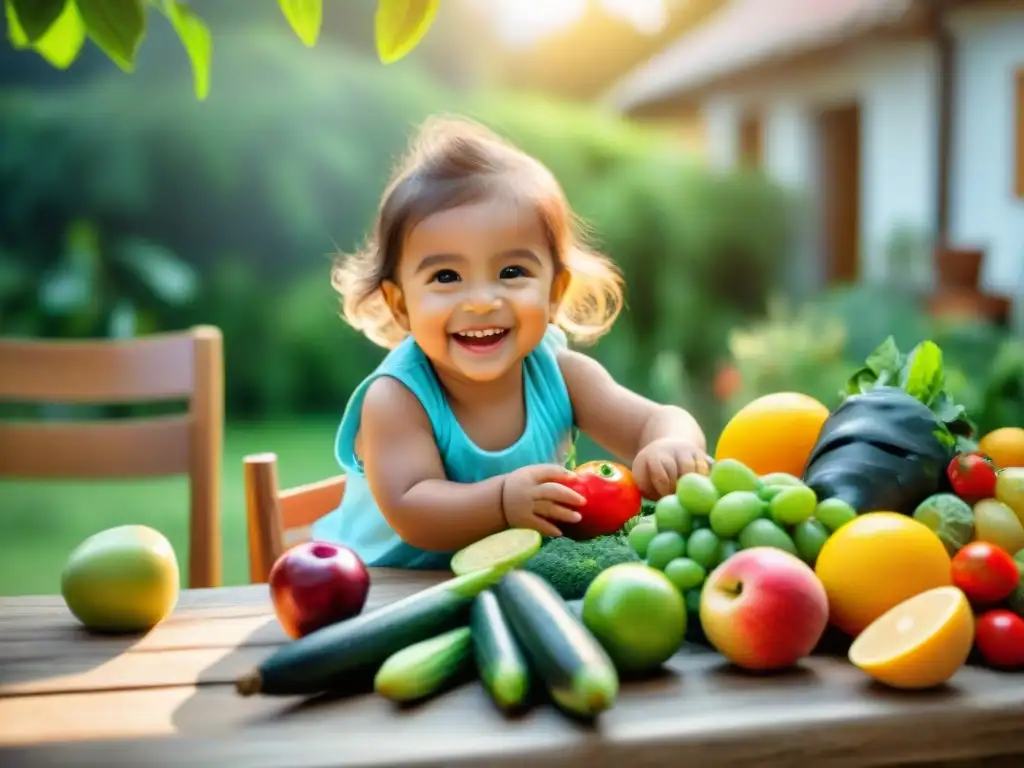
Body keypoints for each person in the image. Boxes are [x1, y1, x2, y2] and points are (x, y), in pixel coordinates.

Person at [311, 115, 709, 569]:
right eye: (447, 276)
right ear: (400, 305)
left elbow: (656, 421)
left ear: (554, 291)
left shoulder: (560, 375)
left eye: (511, 272)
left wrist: (671, 445)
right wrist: (503, 501)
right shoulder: (397, 398)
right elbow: (412, 508)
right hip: (385, 588)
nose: (482, 301)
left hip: (505, 581)